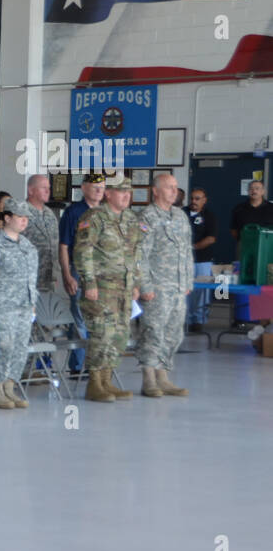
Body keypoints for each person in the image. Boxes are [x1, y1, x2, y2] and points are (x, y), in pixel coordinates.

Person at [75, 174, 144, 403]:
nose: (126, 196)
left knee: (119, 336)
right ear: (108, 194)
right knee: (101, 335)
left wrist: (135, 283)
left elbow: (136, 254)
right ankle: (94, 383)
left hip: (124, 289)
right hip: (102, 288)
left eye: (128, 192)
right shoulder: (94, 218)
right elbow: (83, 252)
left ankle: (107, 381)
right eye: (121, 191)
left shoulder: (131, 220)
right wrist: (89, 282)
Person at [137, 172, 192, 398]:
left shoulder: (180, 216)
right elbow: (140, 254)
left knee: (173, 333)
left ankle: (164, 377)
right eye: (169, 187)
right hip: (157, 286)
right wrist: (145, 285)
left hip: (178, 287)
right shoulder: (147, 216)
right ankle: (149, 379)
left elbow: (187, 251)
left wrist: (187, 280)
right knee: (153, 332)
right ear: (156, 191)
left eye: (176, 187)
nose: (174, 191)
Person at [0, 200, 39, 409]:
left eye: (26, 218)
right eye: (20, 216)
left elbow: (31, 277)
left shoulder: (27, 245)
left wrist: (32, 302)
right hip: (3, 303)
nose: (24, 221)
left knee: (19, 347)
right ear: (7, 218)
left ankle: (10, 386)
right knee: (3, 345)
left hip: (24, 304)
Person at [58, 173, 105, 374]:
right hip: (79, 271)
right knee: (80, 318)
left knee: (99, 318)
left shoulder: (106, 212)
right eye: (95, 186)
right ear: (84, 187)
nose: (98, 190)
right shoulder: (73, 212)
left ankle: (97, 364)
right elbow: (64, 246)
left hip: (103, 274)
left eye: (102, 187)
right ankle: (79, 366)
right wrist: (67, 274)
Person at [17, 174, 59, 292]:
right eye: (43, 188)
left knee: (47, 309)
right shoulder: (20, 211)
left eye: (49, 188)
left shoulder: (50, 214)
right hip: (27, 277)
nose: (48, 191)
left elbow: (54, 245)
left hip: (47, 277)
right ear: (31, 190)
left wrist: (54, 274)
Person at [185, 187, 216, 332]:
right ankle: (185, 319)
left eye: (197, 199)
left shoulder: (209, 216)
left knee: (202, 292)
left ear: (204, 200)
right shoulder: (182, 213)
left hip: (203, 259)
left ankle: (198, 320)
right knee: (186, 290)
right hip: (184, 260)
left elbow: (211, 238)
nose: (194, 201)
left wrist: (193, 247)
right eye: (192, 198)